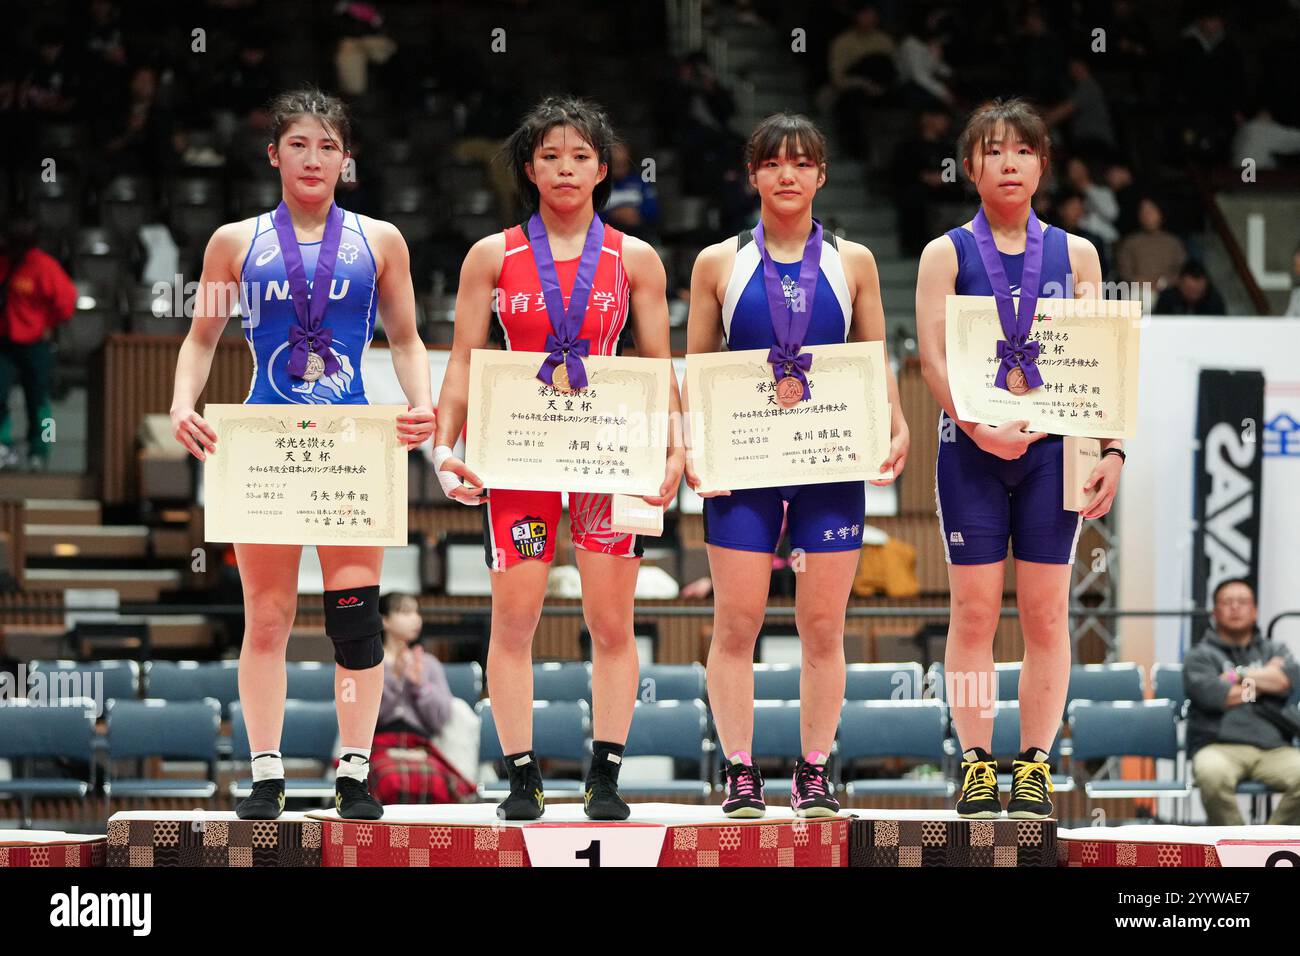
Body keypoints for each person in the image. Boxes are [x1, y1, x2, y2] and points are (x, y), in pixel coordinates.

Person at [168, 87, 436, 820]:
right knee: (267, 617)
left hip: (351, 445)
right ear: (273, 154)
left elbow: (406, 340)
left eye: (327, 146)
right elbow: (200, 340)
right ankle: (266, 773)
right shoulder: (235, 241)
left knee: (354, 618)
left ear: (347, 159)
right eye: (298, 144)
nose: (313, 158)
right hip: (264, 442)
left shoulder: (381, 240)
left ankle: (353, 770)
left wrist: (421, 403)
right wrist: (181, 403)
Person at [432, 95, 685, 821]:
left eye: (580, 156)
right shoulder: (494, 254)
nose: (565, 168)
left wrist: (673, 446)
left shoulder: (634, 257)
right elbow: (462, 366)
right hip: (519, 464)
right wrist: (445, 450)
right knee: (513, 622)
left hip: (608, 458)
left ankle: (604, 776)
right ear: (529, 168)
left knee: (612, 621)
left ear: (603, 169)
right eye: (550, 156)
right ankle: (521, 775)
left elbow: (658, 365)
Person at [683, 113, 910, 818]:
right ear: (752, 175)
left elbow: (877, 362)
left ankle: (813, 772)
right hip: (744, 464)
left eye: (802, 163)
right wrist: (692, 444)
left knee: (822, 627)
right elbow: (696, 368)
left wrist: (897, 423)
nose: (788, 175)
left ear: (820, 175)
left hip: (827, 465)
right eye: (773, 163)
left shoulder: (855, 262)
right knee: (736, 623)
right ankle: (741, 772)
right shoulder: (718, 262)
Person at [915, 98, 1123, 820]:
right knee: (972, 614)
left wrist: (1113, 450)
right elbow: (933, 361)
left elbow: (1101, 365)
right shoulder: (947, 253)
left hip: (1052, 454)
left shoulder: (1079, 255)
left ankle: (1034, 765)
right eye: (993, 151)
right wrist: (977, 427)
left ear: (1042, 164)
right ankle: (976, 763)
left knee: (1045, 614)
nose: (1009, 162)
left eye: (1023, 150)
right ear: (969, 166)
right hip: (970, 452)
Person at [1186, 579, 1300, 826]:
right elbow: (1219, 696)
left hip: (1275, 747)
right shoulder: (1199, 656)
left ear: (1255, 610)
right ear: (1215, 612)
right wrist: (1263, 681)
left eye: (1243, 602)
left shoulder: (1275, 649)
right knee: (1211, 774)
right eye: (1227, 602)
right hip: (1219, 747)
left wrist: (1236, 675)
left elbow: (1284, 682)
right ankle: (1236, 851)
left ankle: (1268, 847)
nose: (1235, 607)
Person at [370, 592, 476, 805]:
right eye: (405, 612)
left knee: (436, 782)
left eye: (416, 612)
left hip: (419, 746)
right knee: (389, 780)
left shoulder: (429, 664)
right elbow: (368, 717)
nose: (416, 619)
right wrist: (394, 679)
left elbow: (439, 718)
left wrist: (420, 686)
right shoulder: (370, 664)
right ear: (385, 620)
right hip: (381, 745)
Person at [0, 217, 75, 470]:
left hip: (35, 345)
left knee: (38, 400)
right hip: (4, 344)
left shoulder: (43, 266)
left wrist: (46, 325)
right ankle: (3, 448)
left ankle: (39, 451)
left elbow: (66, 302)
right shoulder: (3, 263)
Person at [1115, 197, 1185, 292]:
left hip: (1168, 291)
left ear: (1160, 213)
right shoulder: (1130, 242)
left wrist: (1163, 282)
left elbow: (1181, 269)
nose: (1146, 215)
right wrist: (1140, 281)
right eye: (1143, 211)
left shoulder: (1173, 242)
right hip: (1137, 290)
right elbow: (1124, 271)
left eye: (1151, 211)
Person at [1152, 260, 1226, 315]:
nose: (1194, 295)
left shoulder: (1213, 301)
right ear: (1179, 283)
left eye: (1199, 292)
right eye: (1189, 290)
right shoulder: (1167, 298)